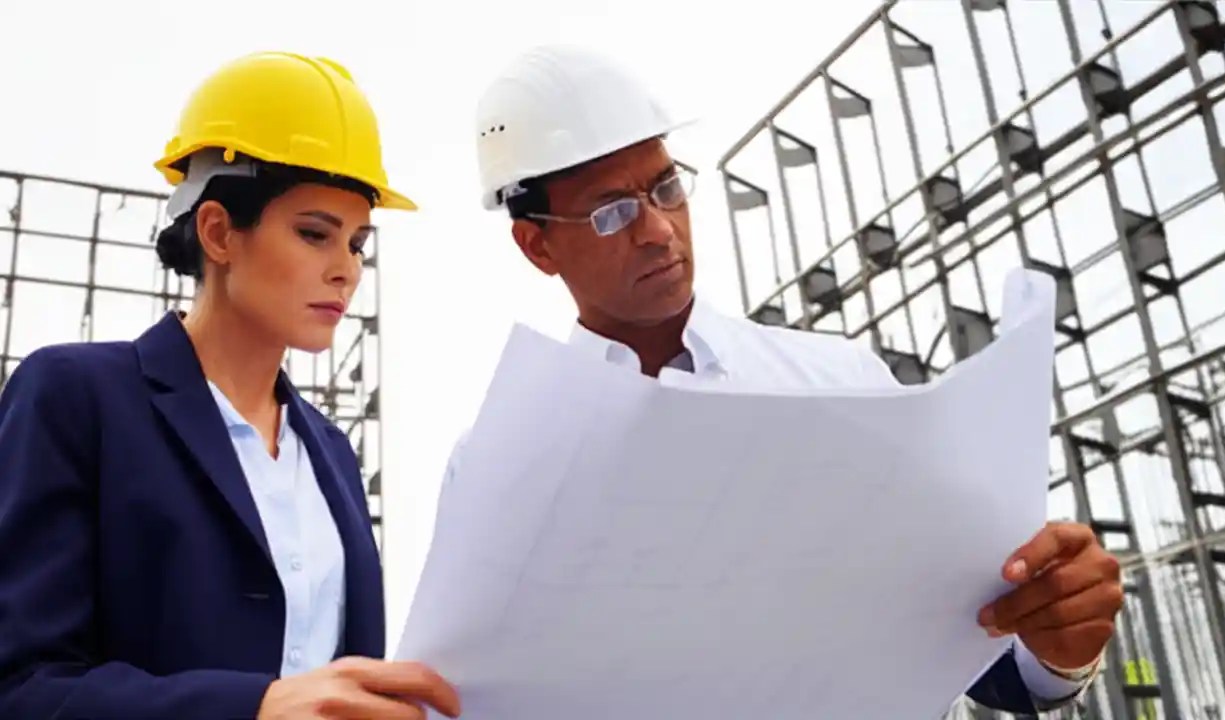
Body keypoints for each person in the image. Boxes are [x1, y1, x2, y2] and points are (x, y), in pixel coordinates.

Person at [443, 43, 1123, 714]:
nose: (657, 230)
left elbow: (984, 647)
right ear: (537, 246)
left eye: (667, 187)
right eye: (611, 212)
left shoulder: (841, 381)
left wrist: (1061, 642)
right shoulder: (499, 465)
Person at [0, 51, 458, 719]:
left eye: (357, 243)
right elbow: (20, 688)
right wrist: (255, 707)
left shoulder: (331, 454)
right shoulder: (76, 398)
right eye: (314, 234)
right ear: (218, 231)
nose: (346, 271)